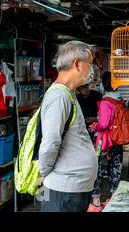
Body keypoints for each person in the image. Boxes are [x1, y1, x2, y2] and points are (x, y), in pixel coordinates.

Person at [38, 41, 98, 212]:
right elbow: (50, 143)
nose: (92, 70)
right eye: (90, 64)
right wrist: (43, 174)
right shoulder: (59, 96)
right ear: (78, 64)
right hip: (62, 191)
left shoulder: (67, 94)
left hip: (72, 189)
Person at [88, 89, 124, 212]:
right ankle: (115, 198)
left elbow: (103, 124)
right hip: (117, 139)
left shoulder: (105, 102)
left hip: (103, 141)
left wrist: (94, 126)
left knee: (98, 168)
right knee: (115, 167)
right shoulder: (119, 100)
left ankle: (96, 201)